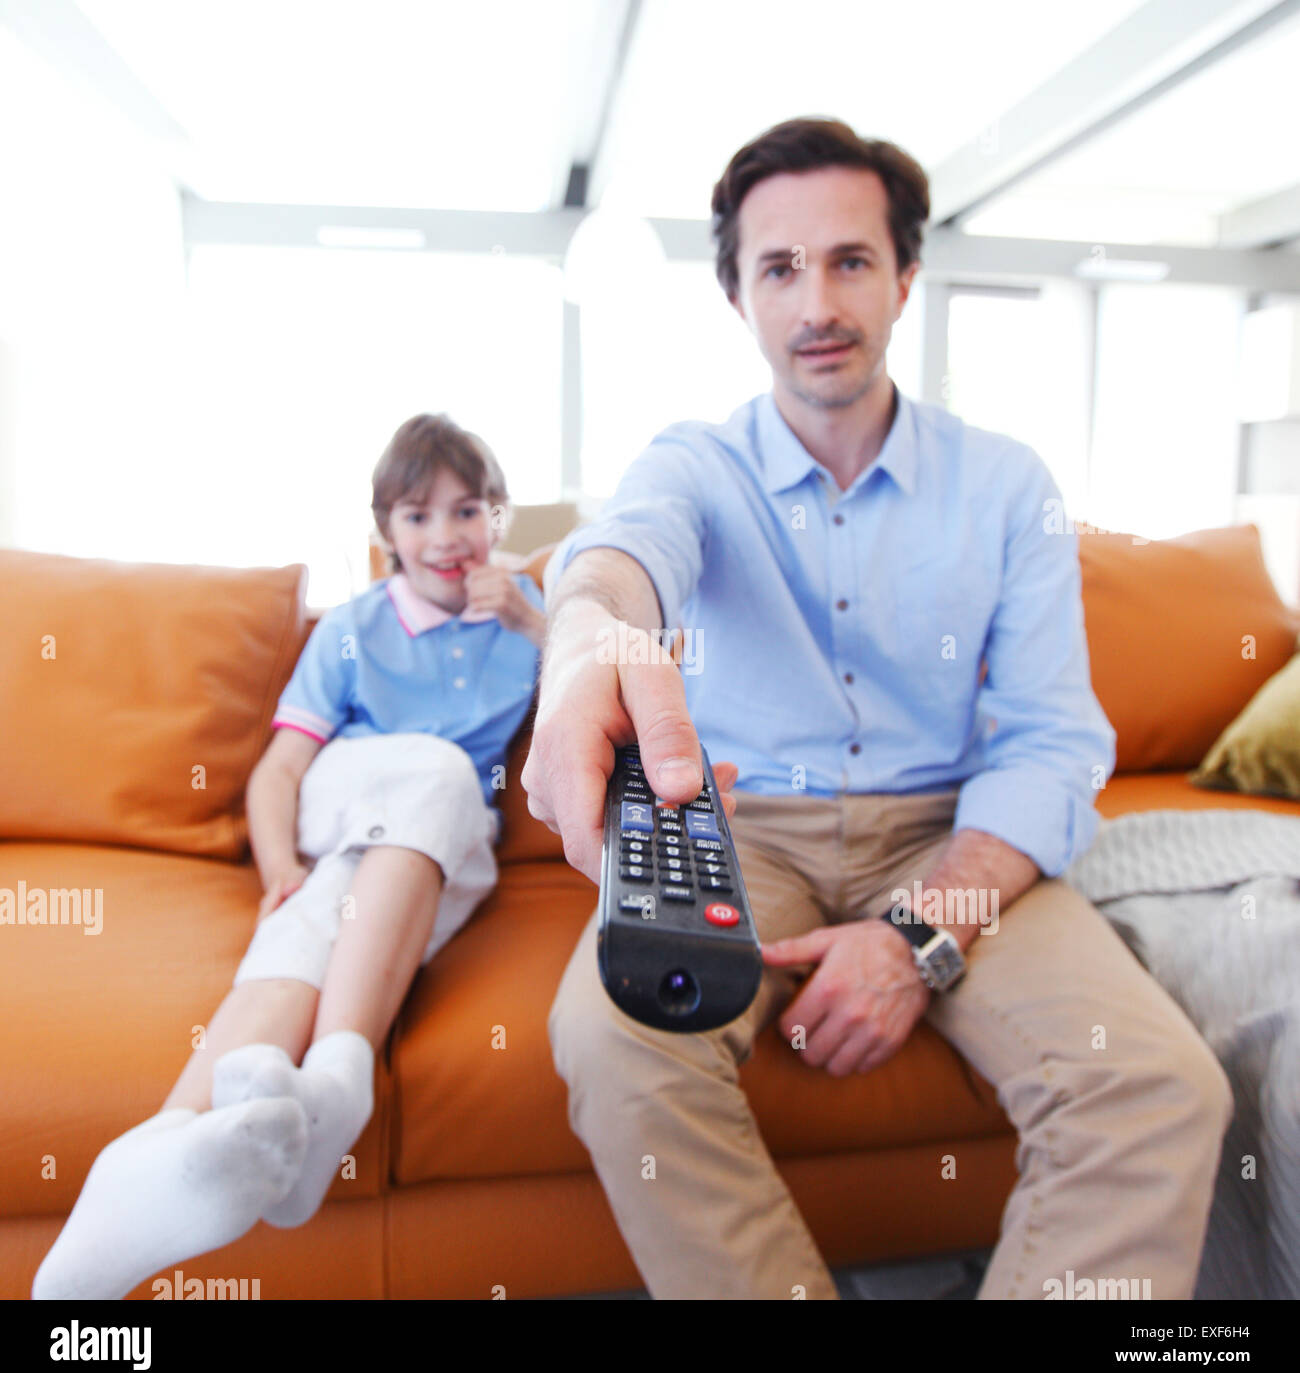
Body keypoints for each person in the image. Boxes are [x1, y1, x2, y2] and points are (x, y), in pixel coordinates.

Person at [523, 117, 1233, 1300]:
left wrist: (916, 934)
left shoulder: (1005, 485)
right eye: (779, 268)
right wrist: (593, 624)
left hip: (947, 831)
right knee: (613, 1035)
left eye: (850, 261)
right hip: (747, 835)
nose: (818, 304)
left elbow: (1053, 739)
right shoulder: (698, 465)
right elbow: (615, 554)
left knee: (1159, 1085)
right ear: (737, 294)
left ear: (906, 277)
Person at [33, 413, 546, 1299]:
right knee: (430, 775)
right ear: (386, 535)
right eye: (419, 516)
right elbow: (280, 773)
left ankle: (155, 1161)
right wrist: (279, 872)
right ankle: (343, 1071)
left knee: (319, 935)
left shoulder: (531, 624)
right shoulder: (352, 629)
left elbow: (650, 681)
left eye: (469, 512)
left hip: (438, 849)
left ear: (498, 522)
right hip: (344, 795)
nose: (447, 537)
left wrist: (540, 628)